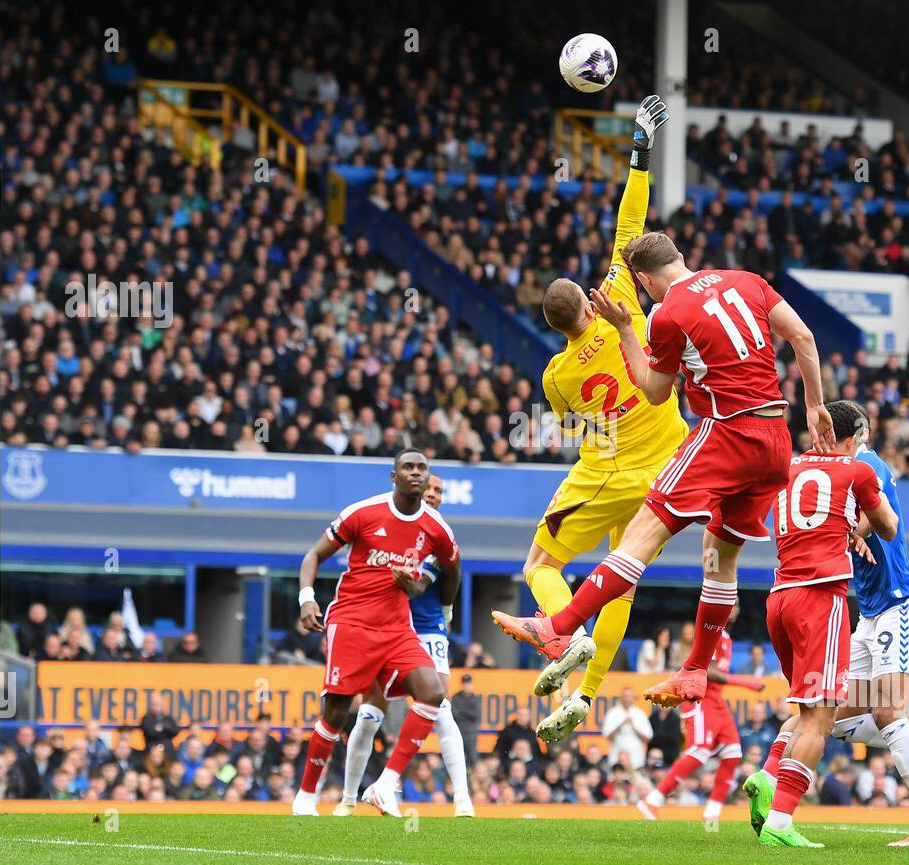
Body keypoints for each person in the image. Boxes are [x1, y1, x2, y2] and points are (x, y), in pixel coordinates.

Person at [494, 217, 834, 718]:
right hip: (776, 438)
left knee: (640, 537)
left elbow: (655, 392)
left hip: (725, 433)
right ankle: (696, 667)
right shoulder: (748, 281)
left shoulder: (665, 315)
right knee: (720, 558)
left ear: (647, 280)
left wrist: (628, 328)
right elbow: (803, 338)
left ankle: (558, 625)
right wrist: (815, 406)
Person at [508, 96, 687, 744]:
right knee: (625, 580)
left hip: (609, 470)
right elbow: (629, 222)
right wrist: (640, 146)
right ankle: (584, 697)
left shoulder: (556, 376)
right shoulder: (623, 301)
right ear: (588, 300)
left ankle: (565, 631)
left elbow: (573, 429)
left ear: (552, 326)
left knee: (536, 564)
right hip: (670, 469)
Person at [749, 399, 909, 848]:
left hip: (902, 603)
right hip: (870, 615)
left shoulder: (866, 464)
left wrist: (855, 530)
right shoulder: (832, 470)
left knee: (889, 711)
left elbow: (882, 519)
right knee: (827, 716)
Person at [745, 401, 898, 849]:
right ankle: (780, 820)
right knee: (822, 718)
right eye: (863, 439)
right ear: (851, 438)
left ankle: (768, 775)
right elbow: (887, 527)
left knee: (809, 711)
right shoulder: (857, 472)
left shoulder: (785, 469)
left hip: (779, 598)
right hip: (820, 598)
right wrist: (865, 513)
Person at [290, 449, 461, 817]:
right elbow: (313, 556)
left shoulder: (437, 528)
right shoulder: (363, 513)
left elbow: (453, 569)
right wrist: (307, 598)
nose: (415, 473)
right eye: (408, 468)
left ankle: (384, 785)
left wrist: (434, 601)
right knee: (335, 714)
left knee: (432, 693)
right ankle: (306, 795)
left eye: (421, 468)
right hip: (351, 622)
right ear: (394, 476)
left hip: (398, 629)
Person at [336, 472, 473, 818]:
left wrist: (446, 610)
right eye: (429, 488)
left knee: (441, 709)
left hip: (426, 630)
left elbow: (442, 578)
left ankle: (462, 800)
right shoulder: (393, 525)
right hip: (387, 628)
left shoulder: (440, 535)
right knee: (369, 716)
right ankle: (349, 799)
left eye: (439, 490)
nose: (433, 494)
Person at [637, 603, 765, 822]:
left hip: (717, 701)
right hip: (700, 699)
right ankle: (653, 799)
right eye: (729, 603)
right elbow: (707, 670)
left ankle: (712, 813)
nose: (733, 608)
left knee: (733, 754)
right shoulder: (712, 633)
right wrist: (745, 683)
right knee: (699, 752)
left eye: (736, 604)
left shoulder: (726, 637)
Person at [600, 687, 653, 770]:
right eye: (625, 696)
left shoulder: (640, 714)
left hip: (637, 760)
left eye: (629, 696)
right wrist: (621, 725)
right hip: (616, 759)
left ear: (633, 698)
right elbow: (607, 736)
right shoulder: (613, 713)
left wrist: (634, 726)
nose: (627, 698)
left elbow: (647, 737)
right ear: (621, 698)